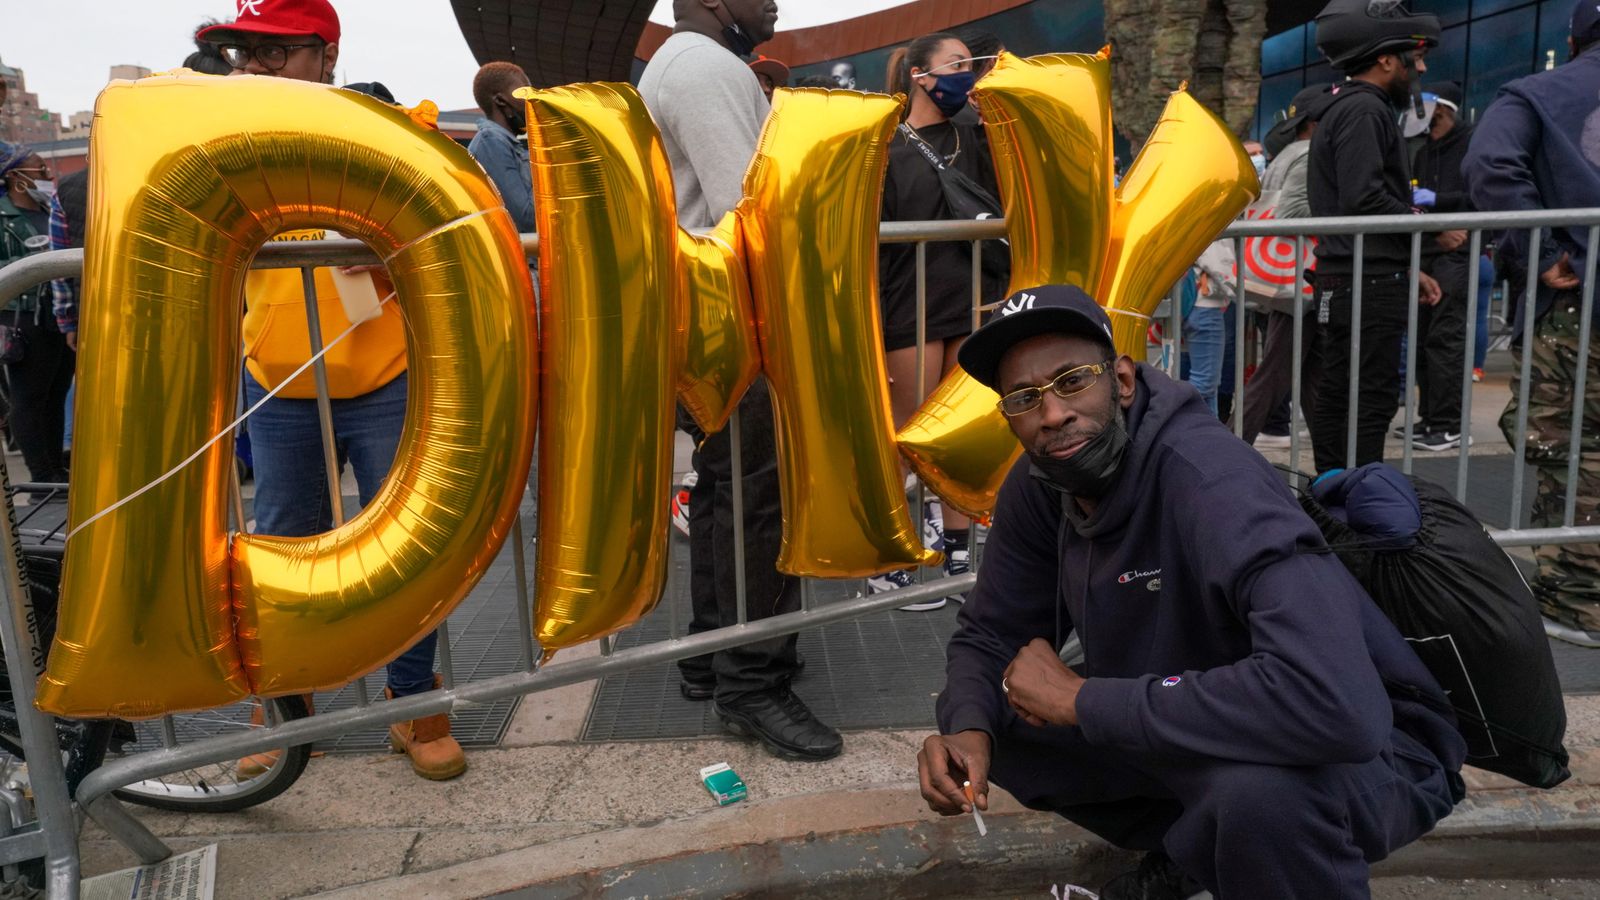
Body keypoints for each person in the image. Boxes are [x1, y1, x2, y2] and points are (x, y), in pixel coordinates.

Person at [917, 283, 1465, 899]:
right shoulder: (1044, 480)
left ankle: (1240, 846)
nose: (1051, 414)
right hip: (1206, 713)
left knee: (1257, 800)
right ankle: (1197, 854)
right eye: (1024, 398)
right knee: (1004, 716)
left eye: (1072, 380)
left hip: (1379, 750)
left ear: (1122, 380)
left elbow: (1338, 705)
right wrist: (967, 727)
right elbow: (991, 633)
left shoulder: (1214, 482)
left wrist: (1087, 701)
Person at [199, 0, 466, 780]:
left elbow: (444, 237)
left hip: (384, 381)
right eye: (243, 51)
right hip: (278, 389)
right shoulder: (223, 142)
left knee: (405, 550)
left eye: (273, 52)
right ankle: (286, 702)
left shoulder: (383, 132)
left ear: (325, 52)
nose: (254, 65)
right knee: (284, 550)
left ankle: (412, 700)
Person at [639, 0, 842, 761]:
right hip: (742, 319)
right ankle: (753, 682)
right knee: (760, 499)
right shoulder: (706, 69)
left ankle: (711, 651)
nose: (776, 3)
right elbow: (752, 211)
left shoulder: (687, 63)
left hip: (719, 320)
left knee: (727, 491)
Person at [1464, 0, 1600, 648]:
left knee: (1571, 449)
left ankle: (1576, 601)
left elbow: (1489, 163)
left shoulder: (1538, 93)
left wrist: (1544, 253)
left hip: (1579, 312)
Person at [870, 32, 1004, 609]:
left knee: (957, 434)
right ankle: (894, 557)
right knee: (908, 436)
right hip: (910, 306)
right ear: (921, 75)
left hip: (971, 302)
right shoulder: (885, 146)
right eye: (958, 65)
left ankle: (957, 550)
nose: (968, 74)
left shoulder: (975, 137)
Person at [1305, 0, 1443, 474]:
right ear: (1387, 60)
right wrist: (1428, 228)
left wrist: (1410, 264)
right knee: (1366, 399)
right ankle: (1356, 506)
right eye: (1414, 58)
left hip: (1363, 276)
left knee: (1347, 394)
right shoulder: (1364, 110)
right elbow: (1362, 198)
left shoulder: (1353, 108)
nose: (1420, 67)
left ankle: (1339, 499)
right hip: (1363, 284)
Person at [1234, 84, 1333, 449]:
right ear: (1315, 123)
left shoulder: (1287, 154)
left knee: (1306, 369)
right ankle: (1228, 444)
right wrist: (1340, 207)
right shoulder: (1309, 155)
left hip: (1287, 276)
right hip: (1299, 277)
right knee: (1277, 371)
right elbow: (1291, 211)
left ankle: (1331, 455)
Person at [0, 144, 73, 484]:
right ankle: (40, 474)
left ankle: (55, 467)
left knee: (56, 392)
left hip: (56, 312)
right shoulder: (3, 215)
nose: (48, 176)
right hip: (23, 316)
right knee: (28, 396)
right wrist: (30, 265)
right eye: (40, 170)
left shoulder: (49, 207)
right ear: (16, 177)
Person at [1408, 81, 1474, 452]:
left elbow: (1479, 195)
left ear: (1445, 113)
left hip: (1458, 253)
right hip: (1431, 248)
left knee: (1445, 339)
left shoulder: (1471, 145)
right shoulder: (1424, 151)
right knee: (1423, 339)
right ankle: (1430, 417)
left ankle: (1448, 423)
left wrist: (1441, 200)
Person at [466, 62, 536, 236]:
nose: (531, 100)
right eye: (524, 92)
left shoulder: (506, 142)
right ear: (499, 100)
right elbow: (527, 218)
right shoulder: (491, 142)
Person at [1184, 239, 1235, 416]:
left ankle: (1209, 437)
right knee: (1205, 382)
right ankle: (1196, 436)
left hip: (1190, 302)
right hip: (1206, 303)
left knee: (1205, 384)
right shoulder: (1207, 218)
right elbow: (1218, 264)